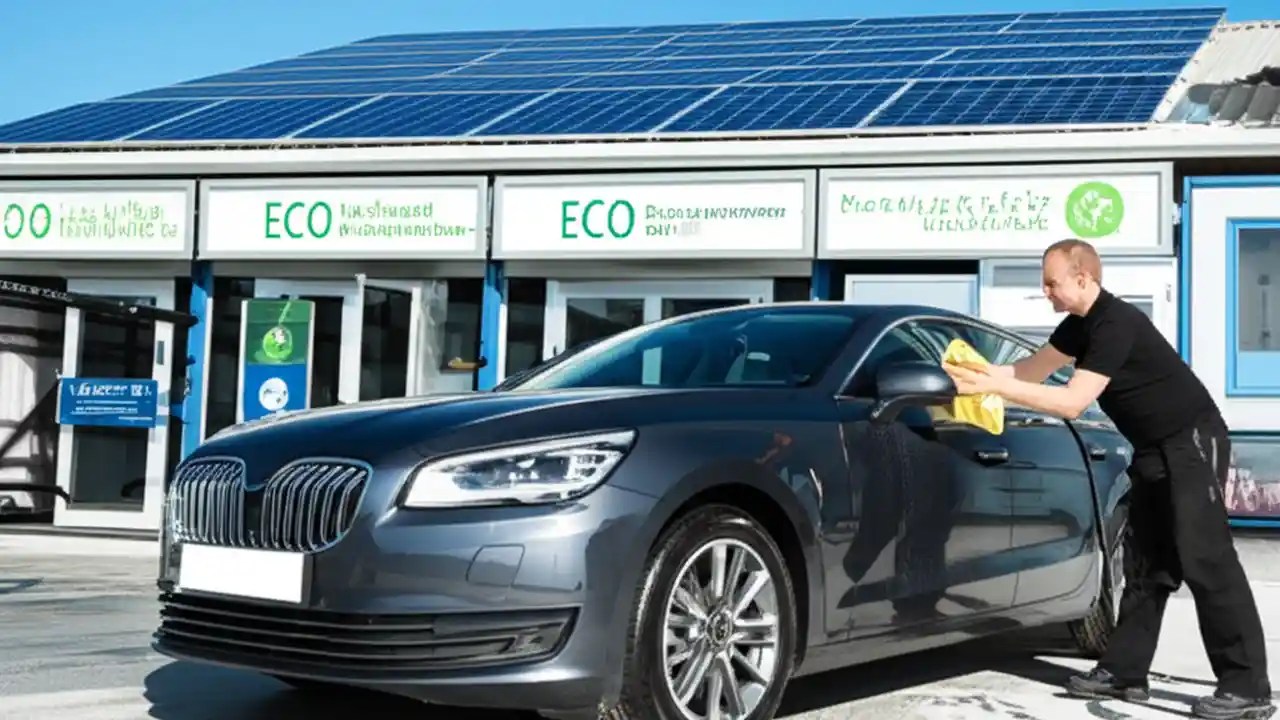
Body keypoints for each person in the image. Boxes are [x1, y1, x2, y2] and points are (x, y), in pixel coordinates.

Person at [942, 238, 1274, 720]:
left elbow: (1072, 402)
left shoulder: (1116, 323)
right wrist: (976, 373)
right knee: (1146, 565)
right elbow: (1029, 371)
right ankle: (1124, 672)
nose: (1045, 291)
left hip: (1192, 441)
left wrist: (996, 387)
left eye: (1051, 283)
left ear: (1083, 278)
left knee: (1207, 560)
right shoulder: (1078, 326)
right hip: (1152, 448)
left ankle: (1247, 688)